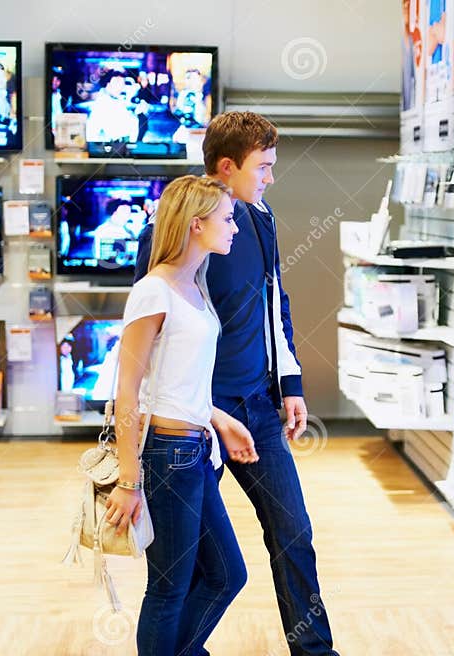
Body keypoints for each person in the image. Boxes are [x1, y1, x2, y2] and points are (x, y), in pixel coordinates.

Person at [134, 112, 340, 656]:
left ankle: (316, 651)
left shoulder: (260, 218)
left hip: (257, 407)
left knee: (293, 535)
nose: (271, 177)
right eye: (264, 166)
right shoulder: (166, 234)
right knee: (188, 572)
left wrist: (289, 381)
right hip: (194, 420)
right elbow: (146, 342)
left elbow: (276, 304)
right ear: (227, 167)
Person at [106, 175, 256, 655]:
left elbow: (172, 382)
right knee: (170, 588)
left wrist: (218, 418)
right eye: (227, 219)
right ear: (196, 225)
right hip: (167, 456)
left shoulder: (193, 286)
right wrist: (129, 480)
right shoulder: (154, 290)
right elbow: (126, 390)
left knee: (227, 573)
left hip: (195, 451)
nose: (235, 227)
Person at [85, 70, 138, 144]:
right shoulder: (101, 104)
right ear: (108, 84)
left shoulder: (119, 100)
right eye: (117, 82)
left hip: (121, 145)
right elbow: (91, 133)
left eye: (122, 83)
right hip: (108, 148)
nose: (121, 86)